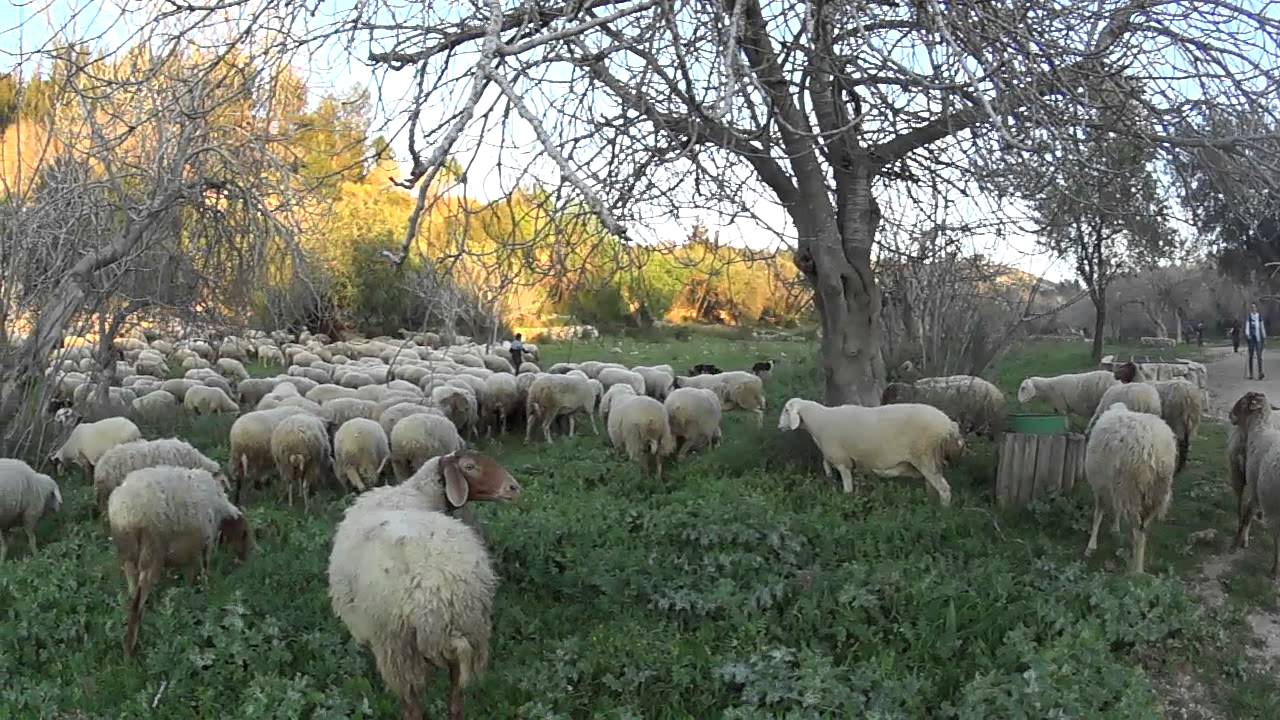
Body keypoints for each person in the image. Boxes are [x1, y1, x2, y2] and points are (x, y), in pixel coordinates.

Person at [1246, 303, 1266, 380]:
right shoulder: (1249, 317)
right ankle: (1251, 374)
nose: (1253, 308)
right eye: (1252, 307)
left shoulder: (1259, 316)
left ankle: (1260, 373)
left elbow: (1262, 326)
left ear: (1257, 308)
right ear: (1251, 308)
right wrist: (1247, 334)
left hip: (1258, 338)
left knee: (1259, 356)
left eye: (1254, 307)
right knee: (1251, 356)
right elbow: (1247, 326)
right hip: (1251, 338)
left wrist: (1264, 336)